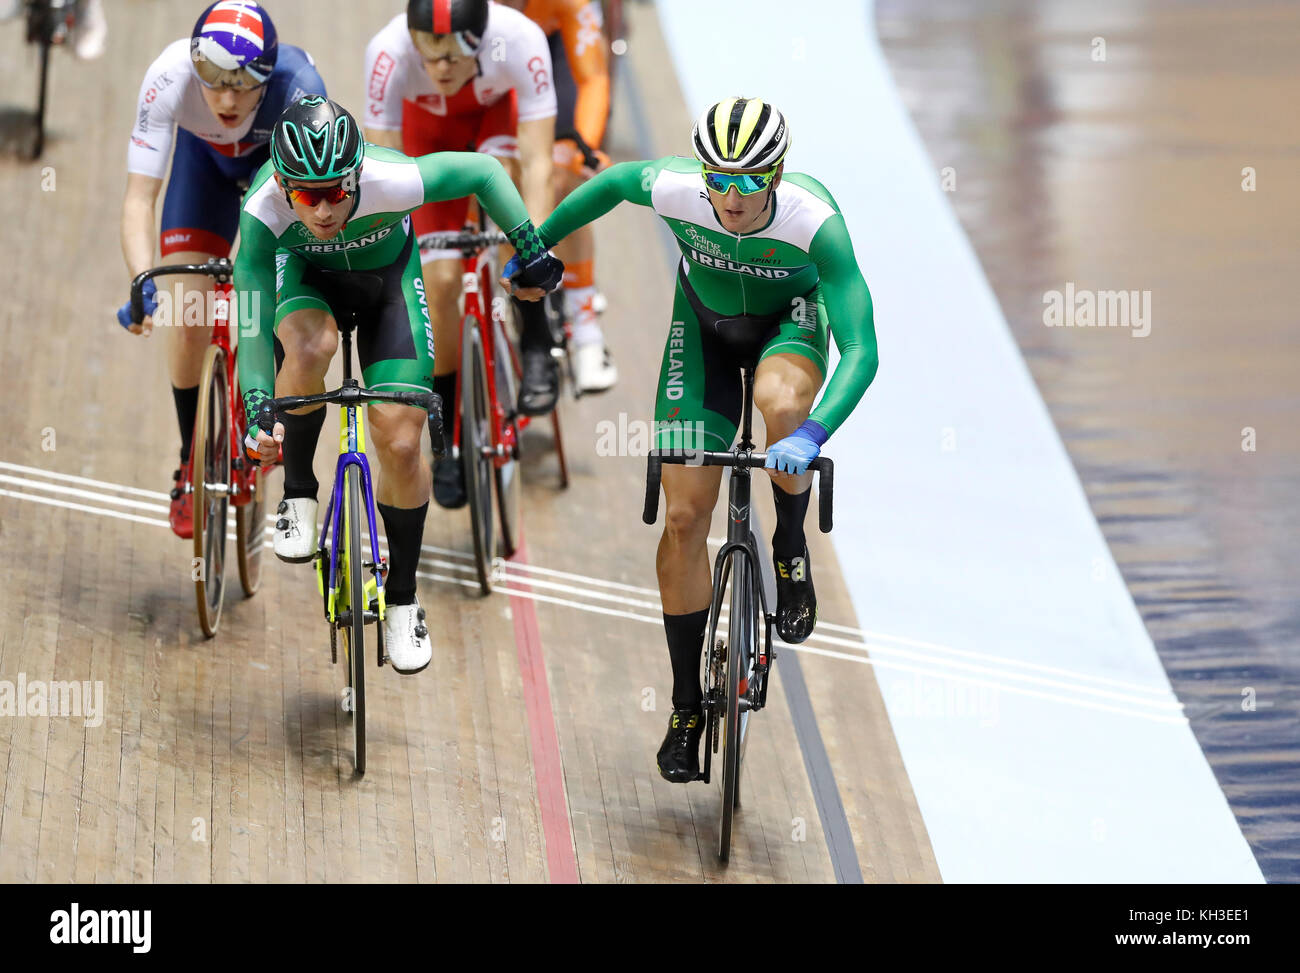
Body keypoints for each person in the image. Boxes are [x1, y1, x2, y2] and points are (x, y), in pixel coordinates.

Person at [527, 98, 879, 782]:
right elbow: (608, 184)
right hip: (704, 331)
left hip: (789, 324)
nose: (731, 197)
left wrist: (813, 433)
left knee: (781, 404)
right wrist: (536, 245)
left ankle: (789, 545)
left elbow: (861, 349)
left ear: (777, 173)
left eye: (749, 181)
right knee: (685, 519)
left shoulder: (815, 221)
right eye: (719, 179)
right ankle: (686, 706)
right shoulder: (677, 187)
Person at [237, 96, 562, 674]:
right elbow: (251, 321)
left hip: (387, 286)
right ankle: (299, 490)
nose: (324, 210)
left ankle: (404, 598)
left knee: (404, 443)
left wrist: (529, 244)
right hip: (308, 283)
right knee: (309, 347)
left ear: (358, 174)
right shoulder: (262, 209)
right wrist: (258, 403)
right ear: (283, 185)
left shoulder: (392, 178)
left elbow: (485, 172)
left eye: (337, 191)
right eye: (307, 197)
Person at [116, 1, 325, 539]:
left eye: (244, 84)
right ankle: (190, 458)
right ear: (194, 67)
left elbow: (312, 204)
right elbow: (140, 197)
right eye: (214, 81)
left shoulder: (299, 88)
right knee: (188, 311)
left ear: (268, 78)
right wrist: (142, 280)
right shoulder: (168, 77)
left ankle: (266, 418)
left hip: (276, 180)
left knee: (277, 306)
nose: (228, 100)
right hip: (202, 170)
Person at [362, 0, 562, 510]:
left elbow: (539, 163)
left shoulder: (519, 39)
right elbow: (386, 178)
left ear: (482, 40)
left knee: (511, 192)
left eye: (454, 53)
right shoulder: (387, 53)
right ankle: (448, 437)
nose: (442, 66)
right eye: (430, 53)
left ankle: (537, 337)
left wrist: (534, 250)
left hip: (494, 123)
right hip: (426, 138)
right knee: (442, 284)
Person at [501, 0, 617, 393]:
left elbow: (593, 80)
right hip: (498, 62)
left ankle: (586, 332)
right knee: (500, 177)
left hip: (557, 52)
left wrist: (586, 148)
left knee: (566, 174)